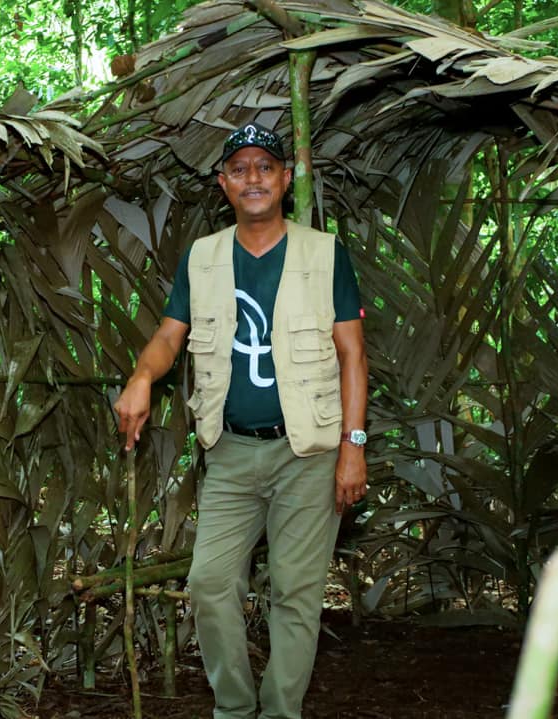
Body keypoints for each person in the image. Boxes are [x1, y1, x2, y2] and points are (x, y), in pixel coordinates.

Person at [114, 121, 368, 719]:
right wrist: (142, 377)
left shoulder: (323, 253)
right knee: (209, 583)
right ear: (222, 183)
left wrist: (353, 445)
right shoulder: (203, 258)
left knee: (297, 595)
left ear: (284, 179)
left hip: (308, 453)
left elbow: (353, 353)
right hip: (229, 451)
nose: (253, 178)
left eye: (264, 167)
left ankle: (279, 712)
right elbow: (167, 337)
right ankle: (234, 708)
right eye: (240, 168)